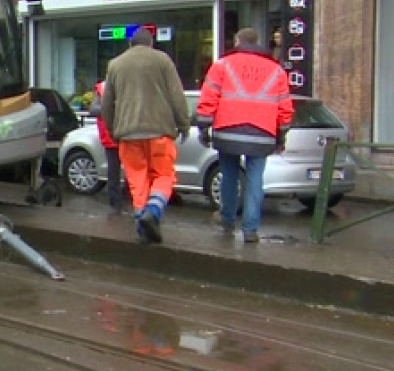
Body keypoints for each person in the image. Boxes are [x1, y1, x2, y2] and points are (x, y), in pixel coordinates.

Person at [195, 27, 292, 243]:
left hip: (228, 130)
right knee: (255, 180)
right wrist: (281, 134)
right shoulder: (276, 70)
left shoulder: (222, 64)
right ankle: (250, 229)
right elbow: (285, 106)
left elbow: (209, 96)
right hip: (262, 133)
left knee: (229, 176)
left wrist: (203, 127)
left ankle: (227, 219)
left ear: (238, 41)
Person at [101, 28, 190, 244]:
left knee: (137, 179)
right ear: (151, 44)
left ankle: (143, 224)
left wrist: (113, 131)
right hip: (159, 130)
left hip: (128, 133)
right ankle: (153, 210)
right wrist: (184, 123)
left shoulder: (115, 65)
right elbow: (176, 95)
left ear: (130, 45)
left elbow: (107, 104)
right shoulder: (163, 60)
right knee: (164, 175)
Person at [90, 80, 126, 214]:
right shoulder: (102, 88)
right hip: (112, 138)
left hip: (127, 136)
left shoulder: (127, 83)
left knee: (133, 172)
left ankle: (130, 202)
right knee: (114, 172)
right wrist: (112, 107)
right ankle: (115, 204)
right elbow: (93, 110)